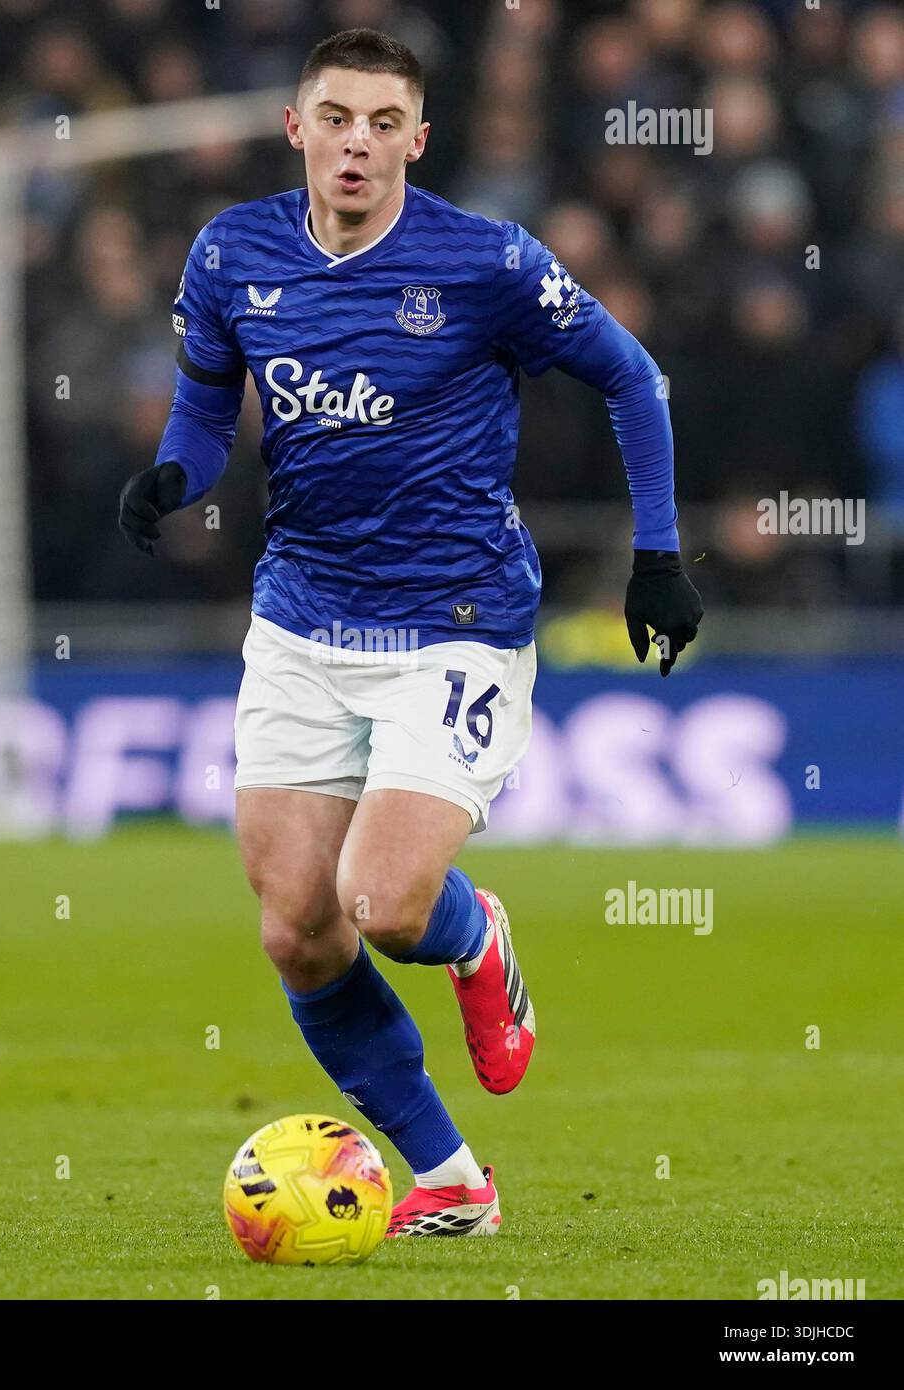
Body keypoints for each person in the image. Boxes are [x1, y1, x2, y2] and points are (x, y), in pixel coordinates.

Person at [119, 27, 703, 1237]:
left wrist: (655, 558)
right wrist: (172, 477)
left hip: (454, 623)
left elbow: (631, 378)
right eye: (336, 117)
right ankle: (450, 1179)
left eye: (384, 124)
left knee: (383, 901)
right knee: (296, 928)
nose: (356, 143)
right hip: (297, 620)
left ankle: (474, 932)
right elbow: (200, 403)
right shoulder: (232, 252)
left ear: (416, 141)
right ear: (297, 127)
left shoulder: (485, 261)